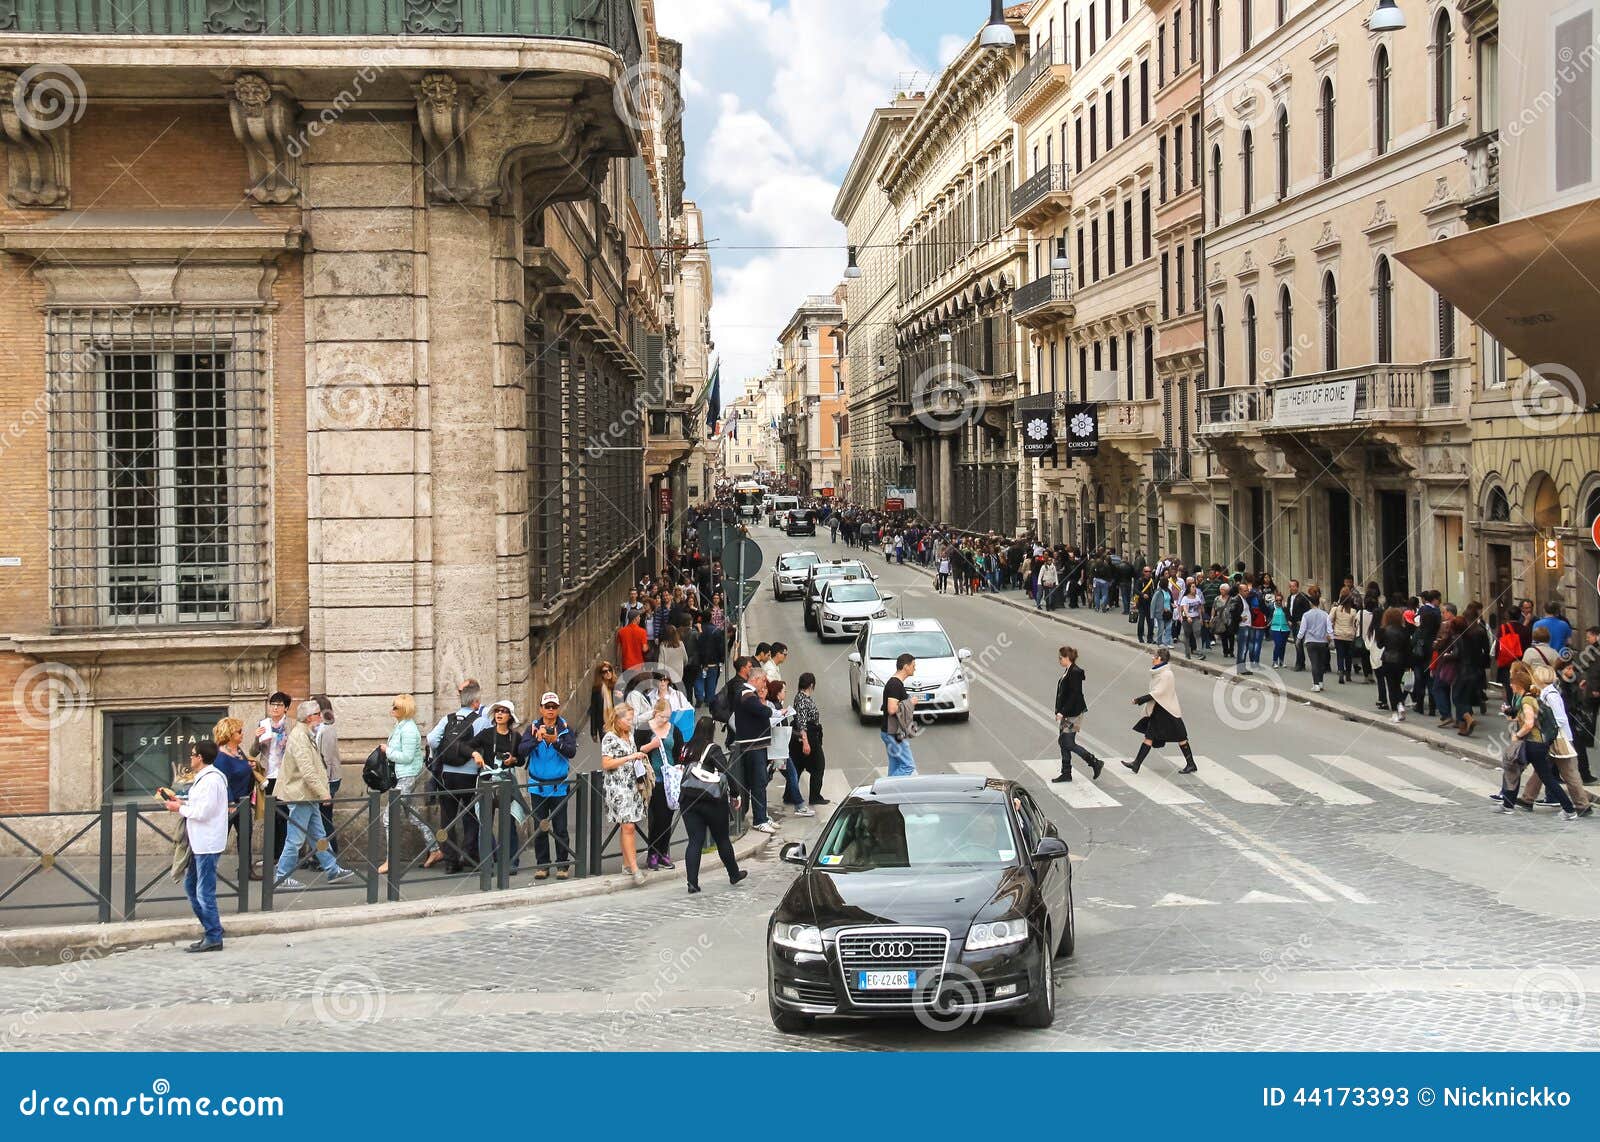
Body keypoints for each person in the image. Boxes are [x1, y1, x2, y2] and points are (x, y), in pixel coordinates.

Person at [271, 700, 354, 890]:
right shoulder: (300, 737)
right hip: (301, 795)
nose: (320, 717)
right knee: (295, 839)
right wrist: (323, 793)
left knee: (318, 836)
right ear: (310, 717)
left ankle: (332, 869)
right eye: (317, 714)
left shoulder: (305, 734)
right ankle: (282, 876)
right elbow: (307, 771)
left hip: (307, 795)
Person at [163, 739, 229, 952]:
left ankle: (213, 936)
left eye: (192, 754)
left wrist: (178, 809)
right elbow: (200, 805)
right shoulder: (206, 778)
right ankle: (213, 928)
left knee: (203, 892)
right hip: (199, 842)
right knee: (192, 887)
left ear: (200, 758)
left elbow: (204, 812)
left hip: (207, 843)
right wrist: (182, 802)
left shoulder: (211, 780)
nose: (190, 758)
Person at [677, 716, 749, 894]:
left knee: (694, 840)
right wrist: (735, 794)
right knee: (722, 839)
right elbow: (726, 772)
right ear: (711, 731)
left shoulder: (686, 748)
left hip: (688, 799)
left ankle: (692, 882)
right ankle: (733, 874)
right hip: (711, 800)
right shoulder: (712, 749)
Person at [428, 680, 493, 871]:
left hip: (447, 774)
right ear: (475, 703)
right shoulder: (480, 721)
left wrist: (442, 753)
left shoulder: (447, 719)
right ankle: (468, 855)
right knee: (472, 815)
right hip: (470, 775)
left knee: (447, 819)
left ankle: (450, 861)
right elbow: (488, 744)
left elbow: (432, 740)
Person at [1499, 662, 1577, 820]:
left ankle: (1569, 810)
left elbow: (1529, 723)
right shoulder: (1528, 698)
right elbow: (1521, 718)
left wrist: (1518, 735)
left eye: (1512, 684)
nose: (1511, 687)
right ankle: (1508, 804)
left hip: (1534, 744)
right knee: (1515, 768)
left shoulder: (1527, 700)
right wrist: (1509, 713)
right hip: (1535, 744)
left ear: (1518, 685)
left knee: (1543, 776)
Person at [377, 693, 442, 876]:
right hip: (403, 776)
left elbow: (406, 757)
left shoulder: (409, 730)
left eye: (396, 707)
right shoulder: (400, 726)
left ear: (404, 709)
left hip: (407, 777)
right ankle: (435, 849)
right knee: (413, 815)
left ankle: (392, 860)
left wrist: (387, 750)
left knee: (388, 818)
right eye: (393, 705)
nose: (392, 709)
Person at [467, 698, 531, 870]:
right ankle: (486, 864)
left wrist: (513, 759)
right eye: (497, 711)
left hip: (506, 782)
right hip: (487, 782)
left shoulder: (515, 737)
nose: (500, 714)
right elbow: (466, 746)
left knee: (508, 824)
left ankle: (511, 863)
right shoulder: (486, 734)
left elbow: (521, 761)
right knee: (485, 824)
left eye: (504, 711)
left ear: (510, 716)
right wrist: (475, 754)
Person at [1522, 665, 1593, 815]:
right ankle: (1527, 798)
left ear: (1539, 678)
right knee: (1541, 769)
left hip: (1560, 739)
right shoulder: (1546, 693)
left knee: (1569, 773)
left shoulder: (1550, 695)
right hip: (1554, 738)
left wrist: (1546, 730)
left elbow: (1560, 719)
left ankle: (1582, 805)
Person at [522, 692, 578, 879]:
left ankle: (563, 865)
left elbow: (571, 752)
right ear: (541, 709)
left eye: (554, 707)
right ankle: (542, 865)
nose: (551, 710)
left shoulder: (565, 728)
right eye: (547, 707)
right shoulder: (532, 728)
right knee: (541, 827)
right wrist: (536, 739)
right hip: (537, 786)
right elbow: (521, 751)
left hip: (559, 786)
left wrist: (556, 742)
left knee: (561, 828)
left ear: (558, 709)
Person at [600, 704, 657, 886]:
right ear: (617, 719)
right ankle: (634, 869)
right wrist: (630, 757)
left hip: (632, 785)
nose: (630, 722)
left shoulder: (630, 735)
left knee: (628, 826)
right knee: (629, 826)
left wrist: (638, 757)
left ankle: (626, 863)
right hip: (617, 787)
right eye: (627, 719)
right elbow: (606, 763)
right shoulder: (609, 738)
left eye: (632, 719)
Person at [1122, 648, 1198, 775]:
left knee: (1181, 737)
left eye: (1155, 656)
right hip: (1158, 710)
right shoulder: (1158, 672)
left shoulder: (1167, 674)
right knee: (1149, 736)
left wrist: (1140, 700)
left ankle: (1191, 764)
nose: (1152, 658)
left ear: (1160, 659)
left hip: (1168, 710)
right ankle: (1136, 764)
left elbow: (1158, 692)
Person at [728, 666, 776, 833]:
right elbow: (762, 710)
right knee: (758, 782)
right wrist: (769, 710)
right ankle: (759, 819)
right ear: (755, 679)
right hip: (752, 746)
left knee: (761, 782)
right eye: (763, 680)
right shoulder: (746, 694)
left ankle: (762, 814)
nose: (764, 684)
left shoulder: (749, 693)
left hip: (757, 744)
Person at [638, 699, 679, 870]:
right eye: (663, 716)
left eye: (668, 717)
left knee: (668, 817)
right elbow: (636, 750)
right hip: (653, 780)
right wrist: (651, 746)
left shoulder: (673, 729)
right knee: (657, 818)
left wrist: (680, 765)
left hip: (670, 779)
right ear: (656, 713)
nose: (665, 720)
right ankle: (653, 853)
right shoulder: (645, 729)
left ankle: (663, 852)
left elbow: (678, 751)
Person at [1053, 647, 1103, 782]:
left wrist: (1062, 711)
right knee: (1063, 742)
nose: (1059, 660)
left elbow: (1074, 695)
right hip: (1067, 714)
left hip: (1073, 714)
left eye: (1061, 658)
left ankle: (1094, 762)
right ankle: (1066, 772)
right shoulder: (1069, 671)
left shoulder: (1074, 672)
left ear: (1067, 658)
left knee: (1068, 742)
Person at [767, 678, 809, 818]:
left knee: (775, 776)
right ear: (778, 693)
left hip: (777, 749)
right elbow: (782, 728)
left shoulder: (776, 705)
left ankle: (792, 799)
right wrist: (800, 736)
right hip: (778, 749)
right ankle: (799, 805)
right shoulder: (775, 708)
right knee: (792, 774)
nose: (786, 692)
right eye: (784, 690)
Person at [791, 672, 829, 806]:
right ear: (811, 685)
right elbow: (801, 723)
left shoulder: (801, 697)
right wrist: (805, 742)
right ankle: (815, 796)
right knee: (819, 765)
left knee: (798, 765)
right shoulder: (802, 699)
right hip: (808, 736)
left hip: (808, 735)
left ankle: (790, 793)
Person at [312, 695, 341, 857]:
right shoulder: (320, 727)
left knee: (324, 821)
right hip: (323, 780)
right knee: (319, 820)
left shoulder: (327, 729)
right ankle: (320, 855)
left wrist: (325, 788)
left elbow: (327, 760)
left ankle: (330, 854)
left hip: (328, 780)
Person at [881, 653, 918, 777]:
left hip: (890, 731)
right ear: (906, 666)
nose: (915, 668)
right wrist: (910, 702)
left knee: (896, 765)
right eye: (913, 665)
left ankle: (889, 794)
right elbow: (892, 709)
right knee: (908, 766)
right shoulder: (895, 684)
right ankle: (887, 788)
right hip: (893, 733)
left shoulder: (896, 683)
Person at [1374, 607, 1412, 722]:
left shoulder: (1384, 630)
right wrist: (1408, 664)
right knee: (1397, 684)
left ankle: (1395, 711)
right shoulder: (1404, 631)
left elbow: (1380, 645)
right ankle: (1400, 704)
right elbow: (1408, 649)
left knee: (1391, 686)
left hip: (1388, 659)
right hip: (1401, 660)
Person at [1299, 589, 1332, 691]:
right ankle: (1321, 682)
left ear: (1310, 603)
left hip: (1310, 641)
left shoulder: (1306, 615)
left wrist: (1298, 638)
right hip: (1323, 642)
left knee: (1314, 663)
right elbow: (1330, 629)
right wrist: (1332, 639)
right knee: (1321, 663)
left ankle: (1316, 684)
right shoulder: (1325, 615)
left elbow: (1302, 629)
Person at [1331, 593, 1362, 684]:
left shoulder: (1336, 609)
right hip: (1349, 636)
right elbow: (1355, 624)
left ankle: (1341, 670)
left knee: (1340, 655)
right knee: (1348, 656)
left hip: (1338, 635)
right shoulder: (1353, 611)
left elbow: (1330, 620)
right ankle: (1348, 674)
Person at [588, 661, 620, 742]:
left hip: (618, 724)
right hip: (604, 726)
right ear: (600, 674)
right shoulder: (597, 690)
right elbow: (593, 711)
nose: (608, 673)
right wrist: (593, 732)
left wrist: (620, 697)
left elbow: (624, 707)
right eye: (605, 671)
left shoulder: (617, 686)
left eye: (610, 670)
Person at [1286, 579, 1311, 671]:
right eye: (1290, 586)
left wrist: (1302, 620)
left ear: (1297, 587)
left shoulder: (1302, 597)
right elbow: (1288, 609)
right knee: (1297, 643)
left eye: (1293, 586)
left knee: (1298, 643)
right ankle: (1301, 662)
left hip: (1299, 623)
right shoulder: (1290, 597)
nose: (1291, 588)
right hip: (1292, 623)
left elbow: (1307, 610)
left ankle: (1299, 663)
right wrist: (1288, 619)